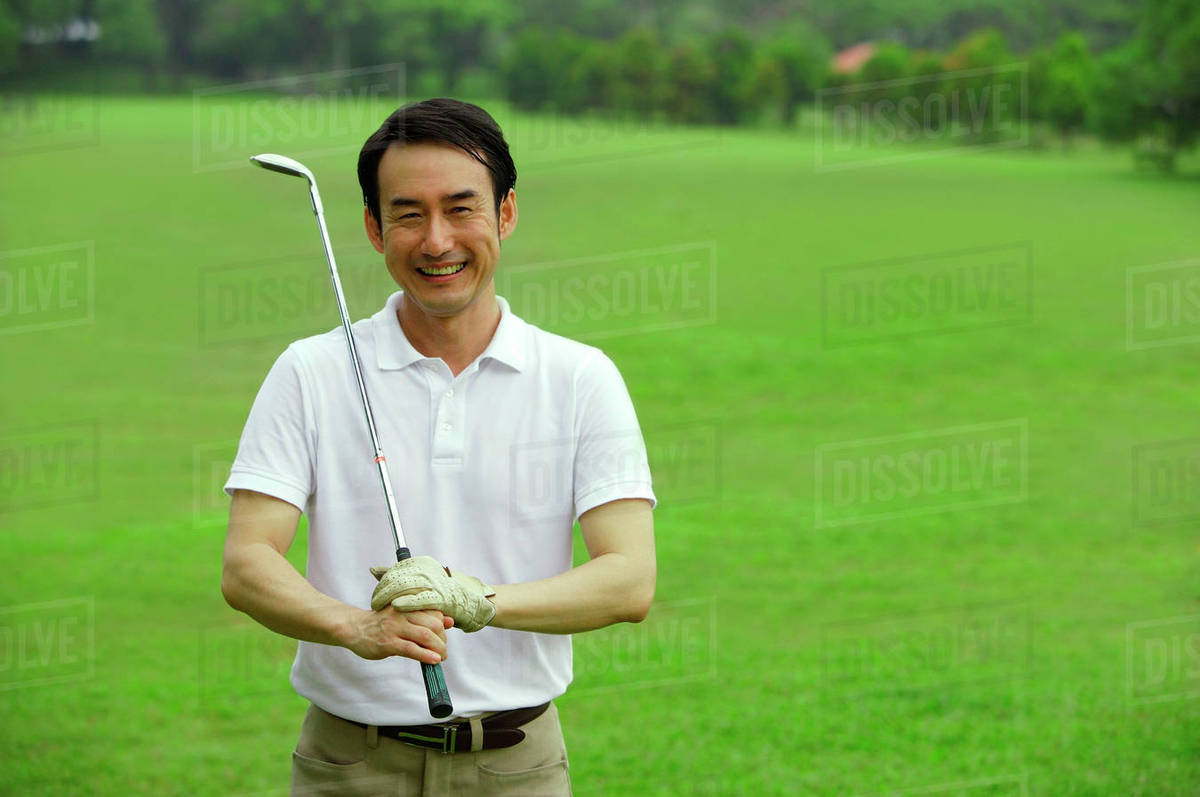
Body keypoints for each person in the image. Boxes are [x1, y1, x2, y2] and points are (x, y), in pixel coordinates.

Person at [220, 97, 657, 796]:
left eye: (461, 208)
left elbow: (630, 579)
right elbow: (246, 563)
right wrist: (357, 628)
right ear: (373, 227)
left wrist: (476, 598)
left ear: (506, 213)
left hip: (518, 765)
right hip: (348, 763)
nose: (436, 240)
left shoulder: (581, 377)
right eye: (409, 213)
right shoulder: (310, 370)